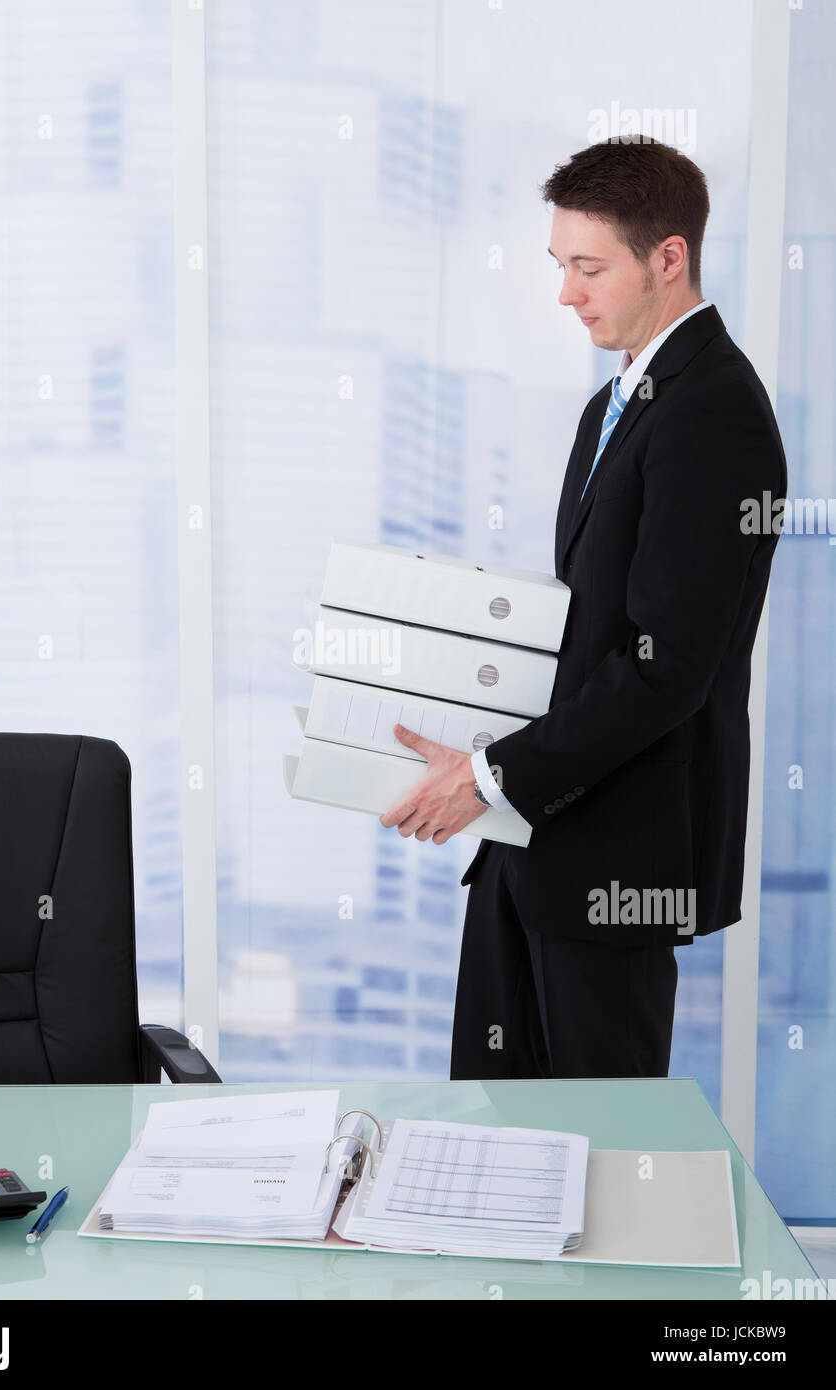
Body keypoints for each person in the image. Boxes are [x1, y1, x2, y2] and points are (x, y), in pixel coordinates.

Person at [379, 136, 787, 1079]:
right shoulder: (620, 401)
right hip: (538, 837)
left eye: (589, 266)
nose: (567, 291)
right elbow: (591, 633)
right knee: (500, 1137)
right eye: (561, 265)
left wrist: (490, 778)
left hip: (618, 859)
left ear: (669, 258)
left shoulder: (712, 408)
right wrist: (486, 760)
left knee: (602, 1158)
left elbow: (665, 668)